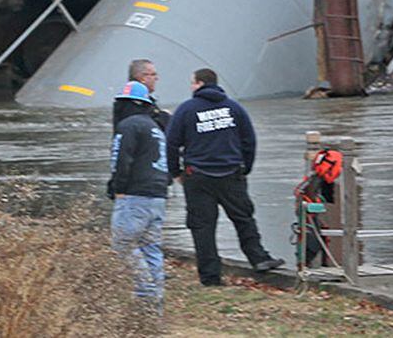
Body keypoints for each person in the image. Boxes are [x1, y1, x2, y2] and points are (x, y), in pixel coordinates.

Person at [165, 67, 284, 285]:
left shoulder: (186, 110)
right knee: (244, 219)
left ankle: (211, 277)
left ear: (199, 84)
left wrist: (176, 173)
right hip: (231, 174)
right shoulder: (234, 108)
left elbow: (171, 143)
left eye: (192, 83)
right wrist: (245, 167)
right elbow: (249, 140)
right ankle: (259, 259)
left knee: (203, 227)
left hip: (198, 176)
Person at [108, 80, 169, 312]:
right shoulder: (154, 126)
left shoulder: (128, 125)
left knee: (122, 244)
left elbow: (121, 159)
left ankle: (146, 295)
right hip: (158, 195)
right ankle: (156, 306)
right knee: (150, 248)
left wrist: (118, 188)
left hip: (135, 195)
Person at [121, 58, 170, 131]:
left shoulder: (125, 101)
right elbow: (148, 127)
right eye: (153, 74)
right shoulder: (134, 103)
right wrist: (165, 116)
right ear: (142, 78)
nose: (156, 78)